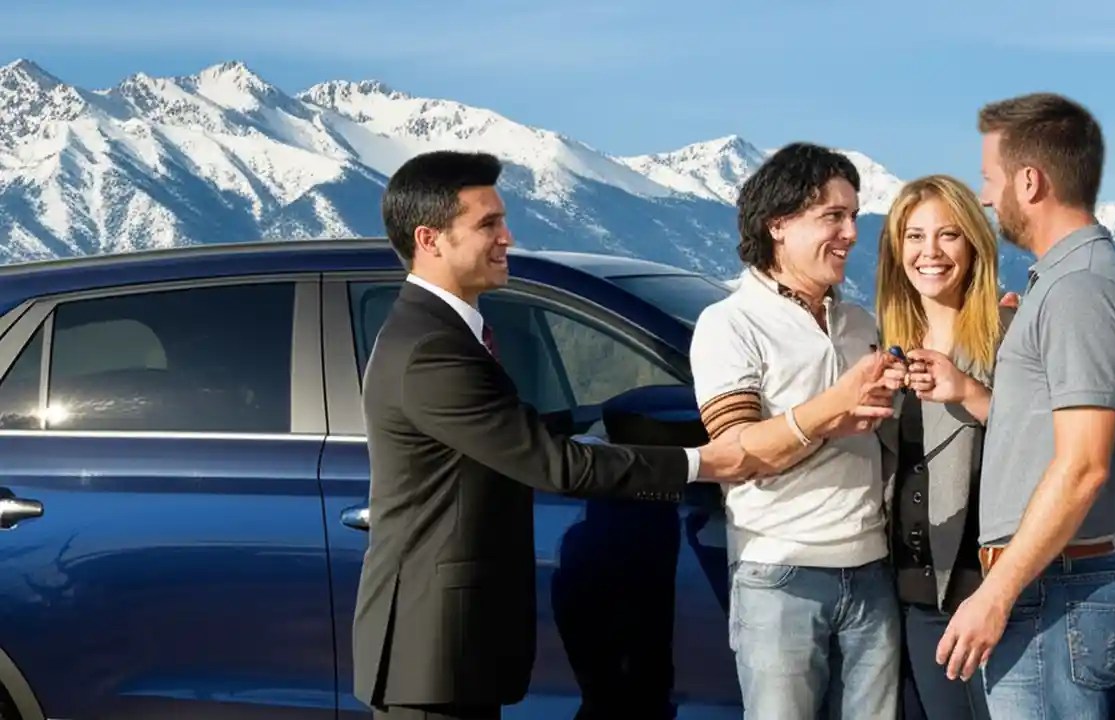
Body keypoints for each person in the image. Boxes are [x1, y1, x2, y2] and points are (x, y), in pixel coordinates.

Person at [352, 150, 760, 720]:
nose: (507, 237)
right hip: (434, 650)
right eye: (487, 223)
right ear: (431, 239)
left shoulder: (440, 333)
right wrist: (704, 462)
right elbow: (555, 466)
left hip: (453, 650)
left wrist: (590, 429)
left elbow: (502, 431)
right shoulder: (431, 348)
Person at [935, 93, 1115, 719]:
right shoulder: (1061, 283)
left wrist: (996, 594)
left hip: (1056, 591)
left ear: (1030, 181)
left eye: (988, 179)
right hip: (1050, 585)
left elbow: (1083, 466)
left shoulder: (1080, 287)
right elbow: (1042, 435)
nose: (984, 197)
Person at [689, 142, 906, 720]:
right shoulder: (729, 323)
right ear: (778, 225)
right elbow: (735, 452)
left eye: (854, 215)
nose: (852, 232)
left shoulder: (859, 321)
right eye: (833, 216)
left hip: (871, 572)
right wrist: (832, 409)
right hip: (778, 573)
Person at [873, 175, 1013, 720]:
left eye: (948, 235)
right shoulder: (886, 352)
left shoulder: (1013, 334)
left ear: (974, 244)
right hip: (914, 596)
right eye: (913, 237)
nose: (929, 252)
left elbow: (1055, 446)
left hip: (992, 596)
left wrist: (971, 393)